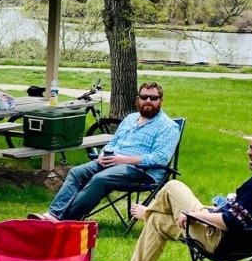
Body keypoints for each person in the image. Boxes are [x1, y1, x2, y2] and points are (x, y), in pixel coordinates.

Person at [114, 126, 252, 261]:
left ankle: (146, 214)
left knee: (173, 186)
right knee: (157, 220)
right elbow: (251, 212)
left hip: (221, 241)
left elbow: (230, 222)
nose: (249, 152)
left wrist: (194, 215)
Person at [28, 82, 180, 222]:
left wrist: (122, 159)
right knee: (76, 172)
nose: (148, 101)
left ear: (161, 101)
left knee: (99, 179)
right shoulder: (130, 118)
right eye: (144, 97)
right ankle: (54, 214)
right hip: (112, 162)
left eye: (153, 98)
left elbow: (160, 158)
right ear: (137, 99)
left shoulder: (168, 126)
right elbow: (113, 142)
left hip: (142, 171)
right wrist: (103, 153)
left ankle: (65, 221)